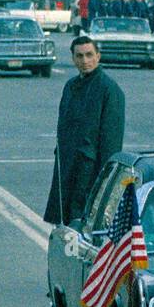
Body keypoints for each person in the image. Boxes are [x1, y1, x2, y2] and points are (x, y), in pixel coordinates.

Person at [44, 36, 126, 224]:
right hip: (66, 167)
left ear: (98, 56)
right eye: (79, 56)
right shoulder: (71, 86)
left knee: (83, 223)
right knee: (64, 224)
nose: (85, 61)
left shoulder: (109, 89)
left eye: (89, 55)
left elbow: (111, 142)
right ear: (73, 58)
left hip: (90, 172)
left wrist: (104, 181)